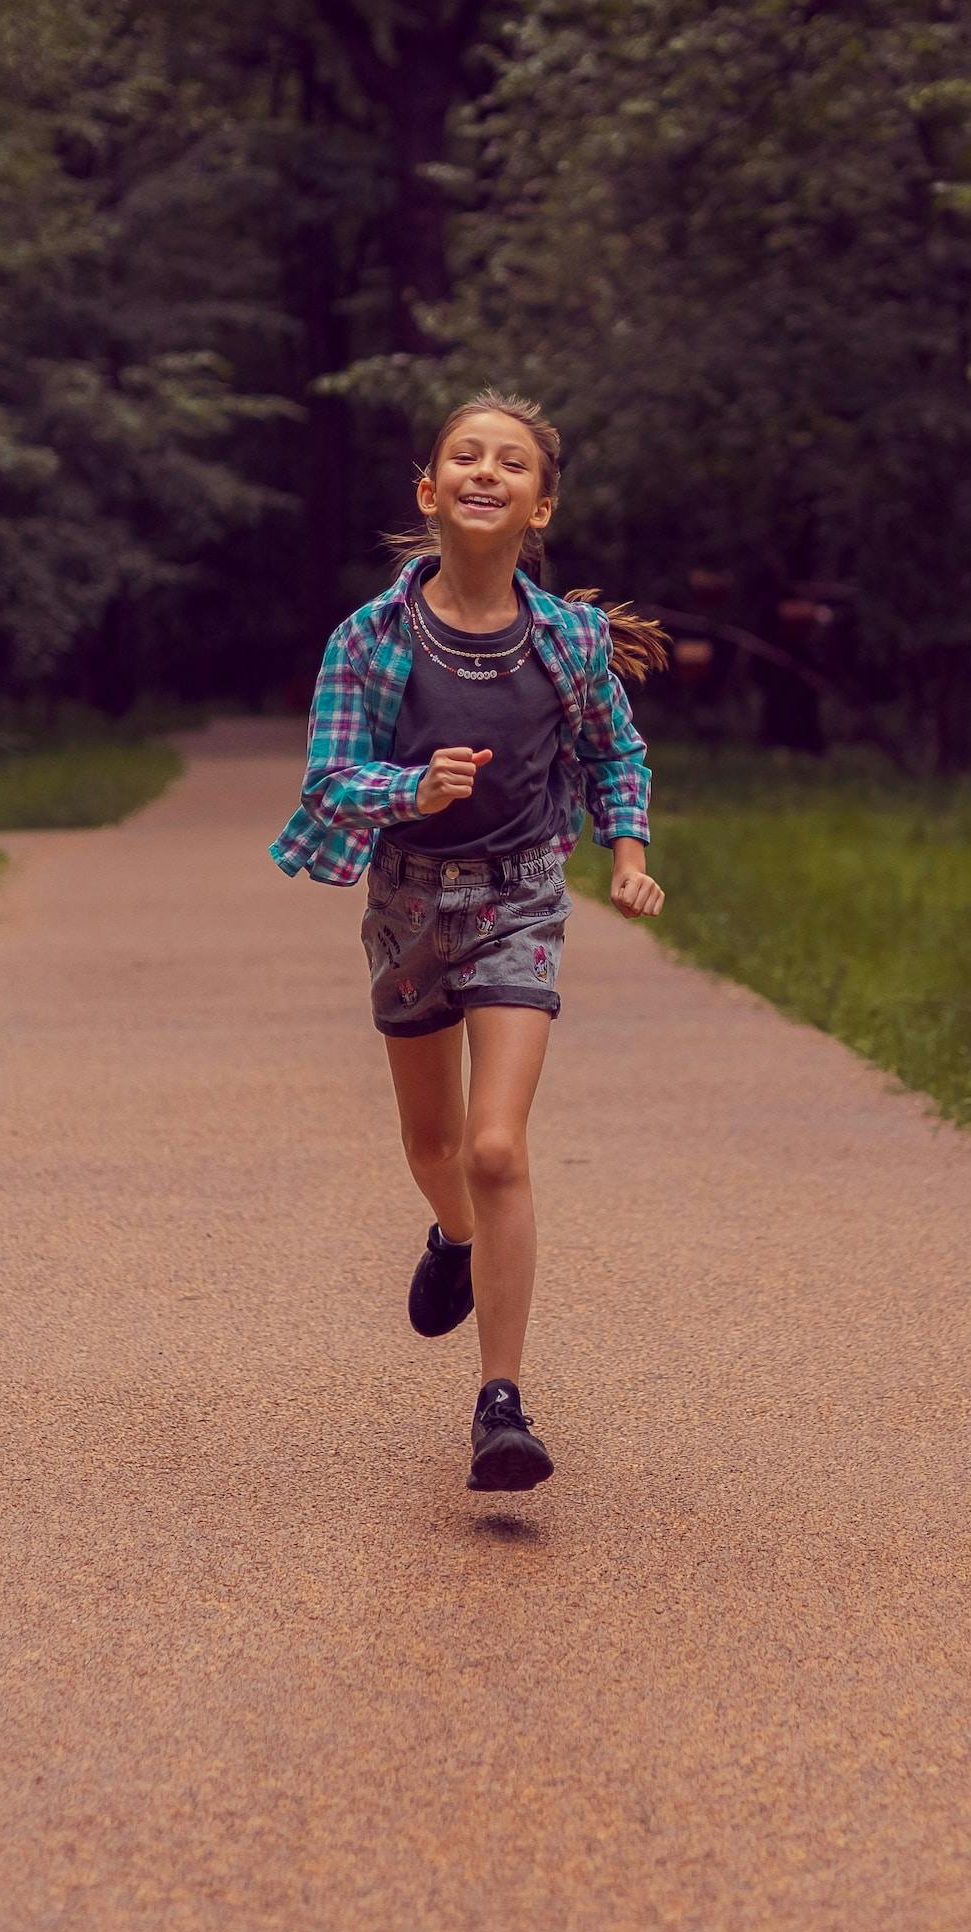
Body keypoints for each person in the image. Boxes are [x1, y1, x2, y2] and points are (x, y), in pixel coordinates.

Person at [269, 389, 671, 1492]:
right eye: (465, 457)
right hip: (407, 903)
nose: (486, 472)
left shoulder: (572, 641)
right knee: (436, 1150)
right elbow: (332, 779)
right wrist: (413, 786)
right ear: (429, 492)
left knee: (497, 1147)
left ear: (540, 506)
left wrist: (626, 856)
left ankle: (501, 1400)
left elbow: (612, 758)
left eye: (511, 463)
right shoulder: (371, 638)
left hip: (521, 899)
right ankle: (450, 1237)